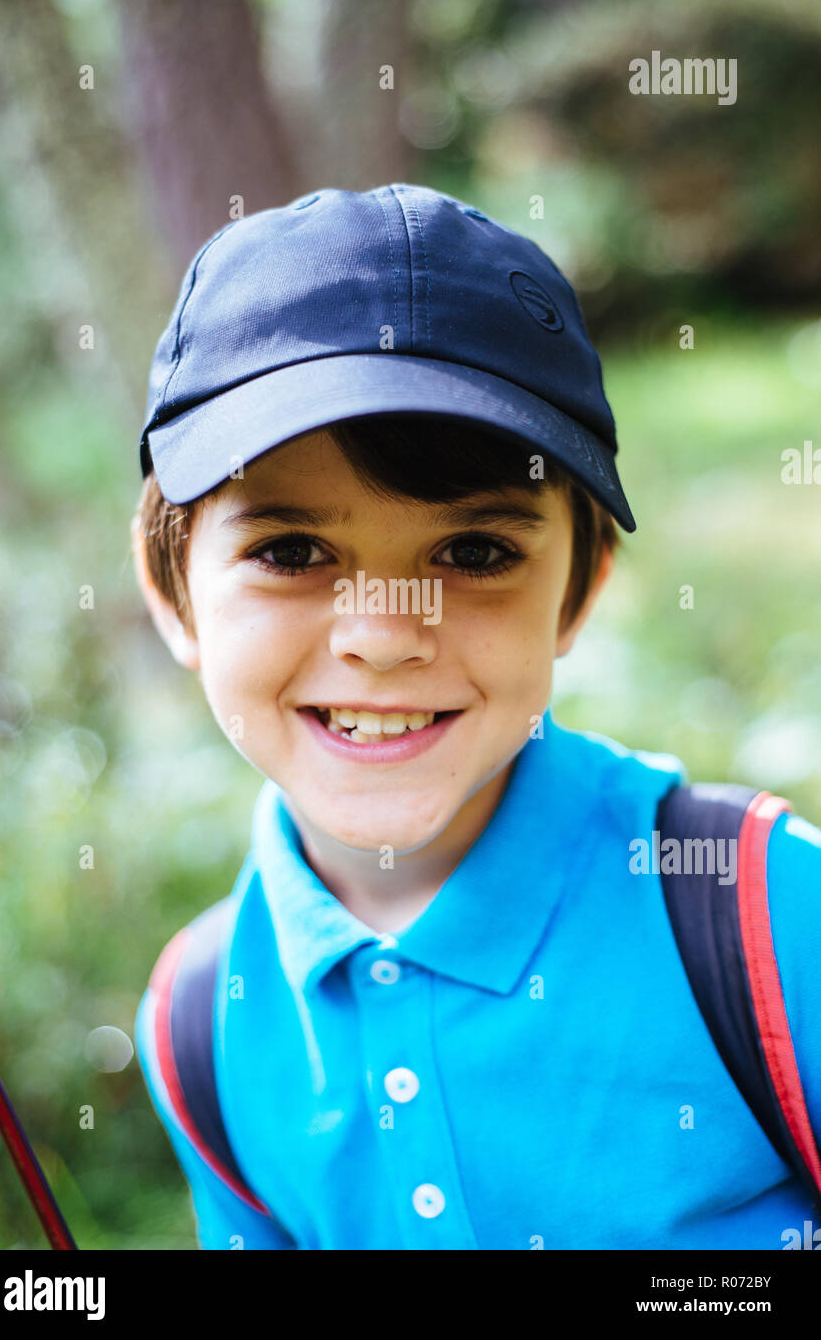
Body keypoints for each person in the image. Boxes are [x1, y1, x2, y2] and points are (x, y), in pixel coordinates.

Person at [131, 184, 821, 1249]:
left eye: (473, 553)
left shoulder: (764, 915)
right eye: (292, 552)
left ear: (580, 590)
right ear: (173, 587)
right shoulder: (199, 1024)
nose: (384, 634)